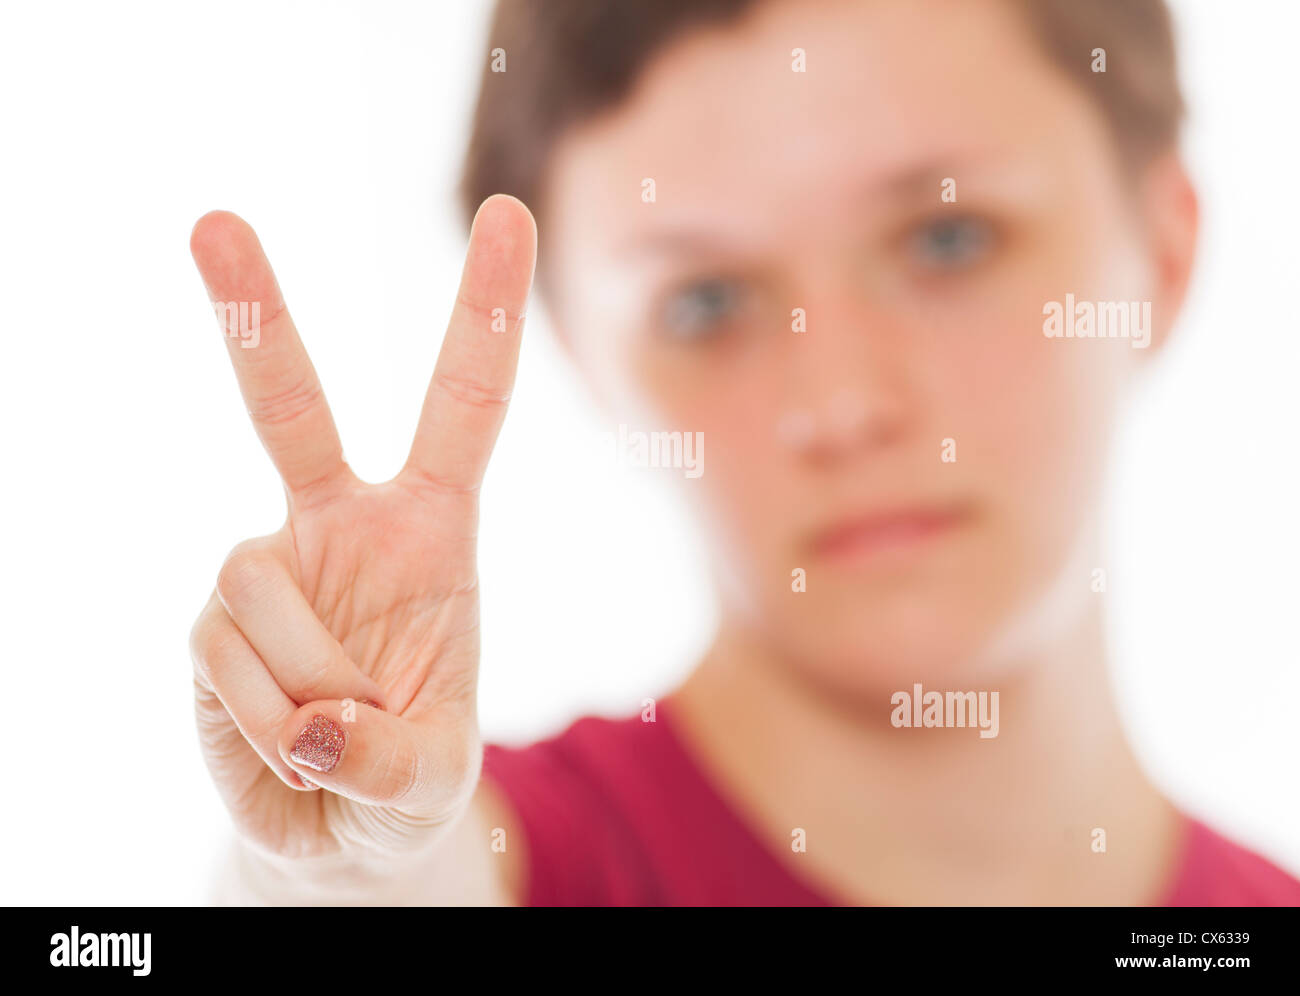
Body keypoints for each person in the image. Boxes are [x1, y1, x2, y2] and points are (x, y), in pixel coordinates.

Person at [189, 0, 1300, 904]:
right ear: (582, 361)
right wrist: (337, 870)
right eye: (707, 301)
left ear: (1159, 251)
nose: (843, 403)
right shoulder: (539, 868)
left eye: (947, 239)